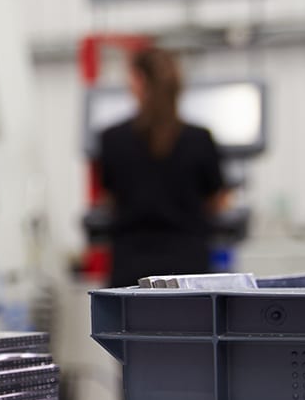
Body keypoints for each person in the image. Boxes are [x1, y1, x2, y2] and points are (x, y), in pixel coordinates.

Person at [95, 47, 231, 287]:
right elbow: (217, 201)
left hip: (130, 270)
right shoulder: (199, 139)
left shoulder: (111, 139)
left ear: (139, 82)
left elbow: (109, 199)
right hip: (189, 274)